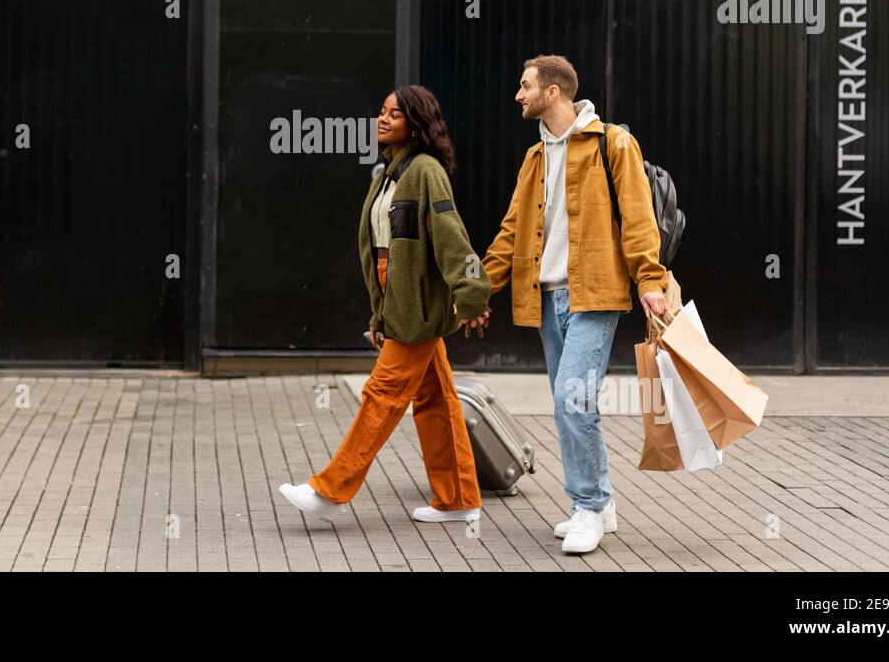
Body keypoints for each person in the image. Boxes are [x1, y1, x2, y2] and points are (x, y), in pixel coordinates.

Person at [278, 85, 492, 524]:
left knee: (381, 393)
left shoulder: (425, 171)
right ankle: (458, 499)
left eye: (393, 114)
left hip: (417, 305)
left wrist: (471, 293)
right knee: (434, 397)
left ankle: (332, 489)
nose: (382, 119)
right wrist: (379, 312)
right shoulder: (386, 174)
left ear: (415, 122)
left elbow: (450, 236)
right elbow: (380, 247)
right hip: (397, 295)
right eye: (381, 111)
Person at [481, 54, 668, 554]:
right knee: (573, 406)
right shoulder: (535, 158)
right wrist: (478, 290)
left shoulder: (613, 143)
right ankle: (602, 503)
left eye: (525, 86)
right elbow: (510, 232)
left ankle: (585, 506)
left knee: (572, 397)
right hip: (548, 298)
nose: (518, 96)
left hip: (595, 295)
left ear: (553, 92)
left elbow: (638, 217)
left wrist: (650, 279)